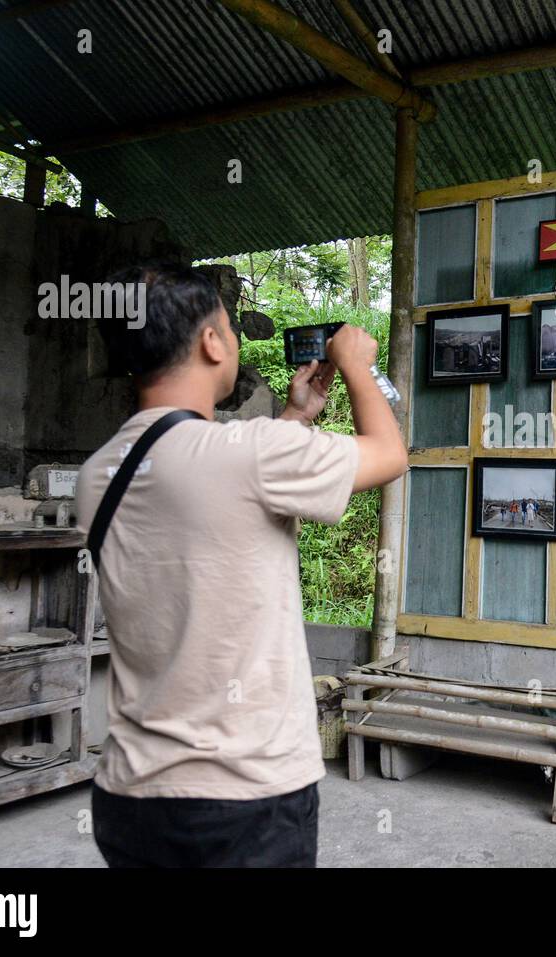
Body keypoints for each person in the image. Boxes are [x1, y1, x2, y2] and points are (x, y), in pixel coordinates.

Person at [75, 264, 407, 868]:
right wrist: (358, 364)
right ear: (210, 342)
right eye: (228, 327)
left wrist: (297, 417)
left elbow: (210, 484)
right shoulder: (249, 454)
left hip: (131, 793)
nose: (231, 338)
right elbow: (389, 456)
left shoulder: (99, 473)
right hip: (246, 798)